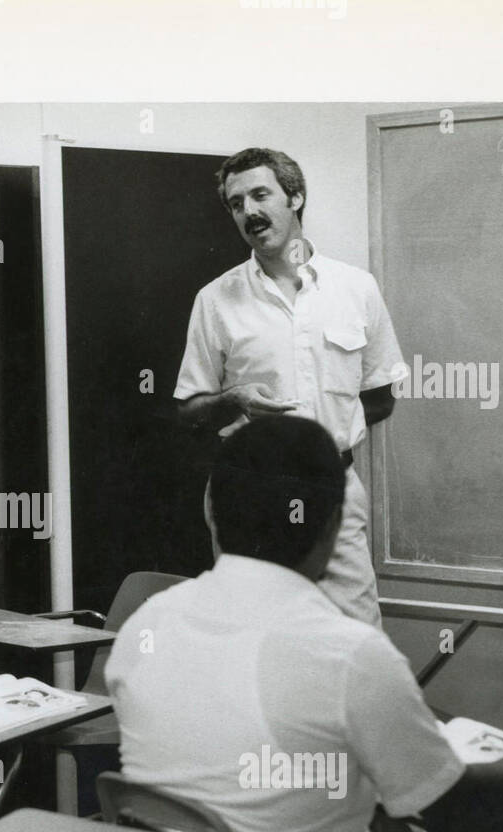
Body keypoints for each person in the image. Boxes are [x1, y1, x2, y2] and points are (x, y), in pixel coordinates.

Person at [104, 416, 503, 832]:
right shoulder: (349, 656)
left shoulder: (145, 625)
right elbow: (454, 815)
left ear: (211, 509)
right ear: (335, 525)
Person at [174, 147, 404, 625]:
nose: (250, 212)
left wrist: (319, 437)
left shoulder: (356, 288)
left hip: (331, 488)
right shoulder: (216, 299)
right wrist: (234, 401)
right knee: (251, 635)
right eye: (237, 204)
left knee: (355, 631)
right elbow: (189, 410)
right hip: (247, 492)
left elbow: (380, 396)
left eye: (261, 195)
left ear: (295, 196)